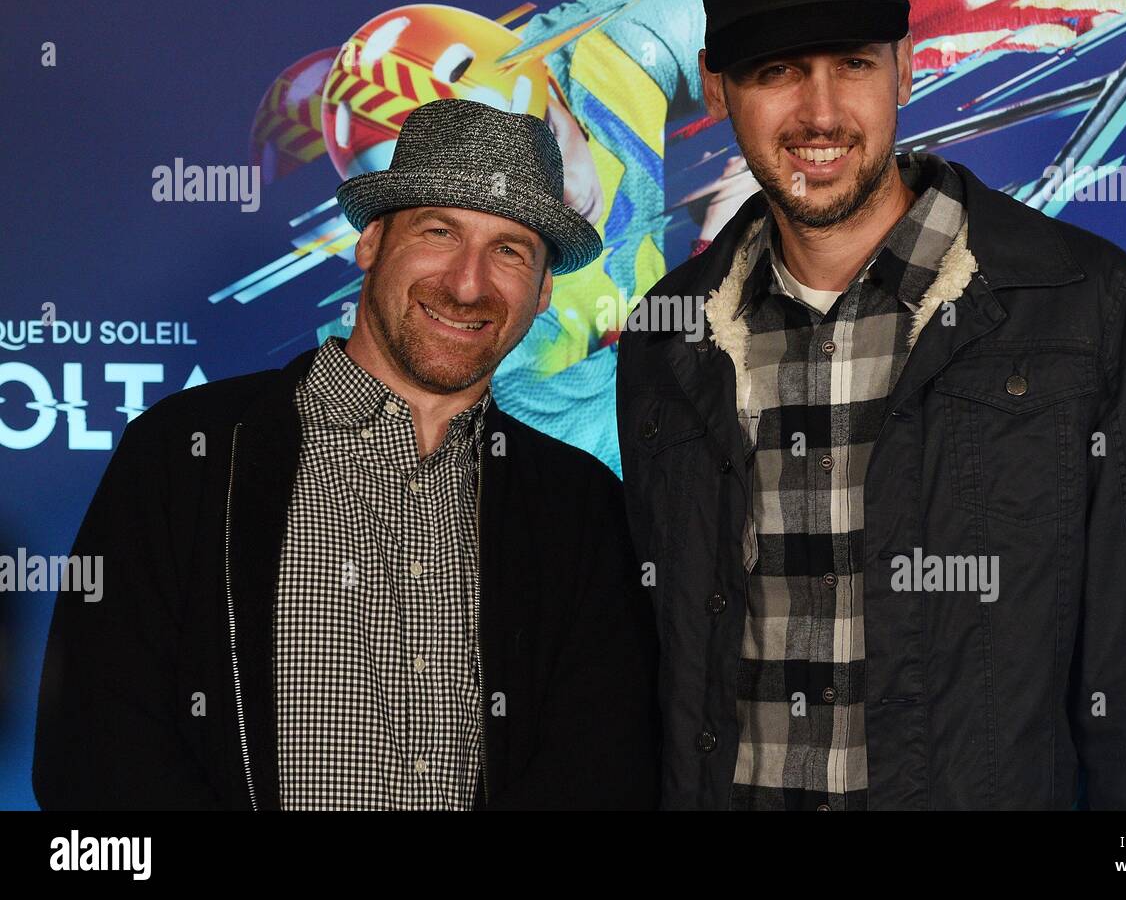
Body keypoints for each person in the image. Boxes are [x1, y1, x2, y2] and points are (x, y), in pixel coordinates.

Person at [616, 0, 1126, 810]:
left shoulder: (1078, 303)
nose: (820, 112)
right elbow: (653, 683)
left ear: (905, 67)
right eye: (778, 69)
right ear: (716, 87)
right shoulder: (668, 338)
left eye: (854, 63)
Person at [34, 98, 658, 810]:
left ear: (544, 289)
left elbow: (604, 771)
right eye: (438, 230)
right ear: (370, 243)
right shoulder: (188, 453)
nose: (467, 282)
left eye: (509, 250)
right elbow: (93, 752)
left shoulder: (581, 506)